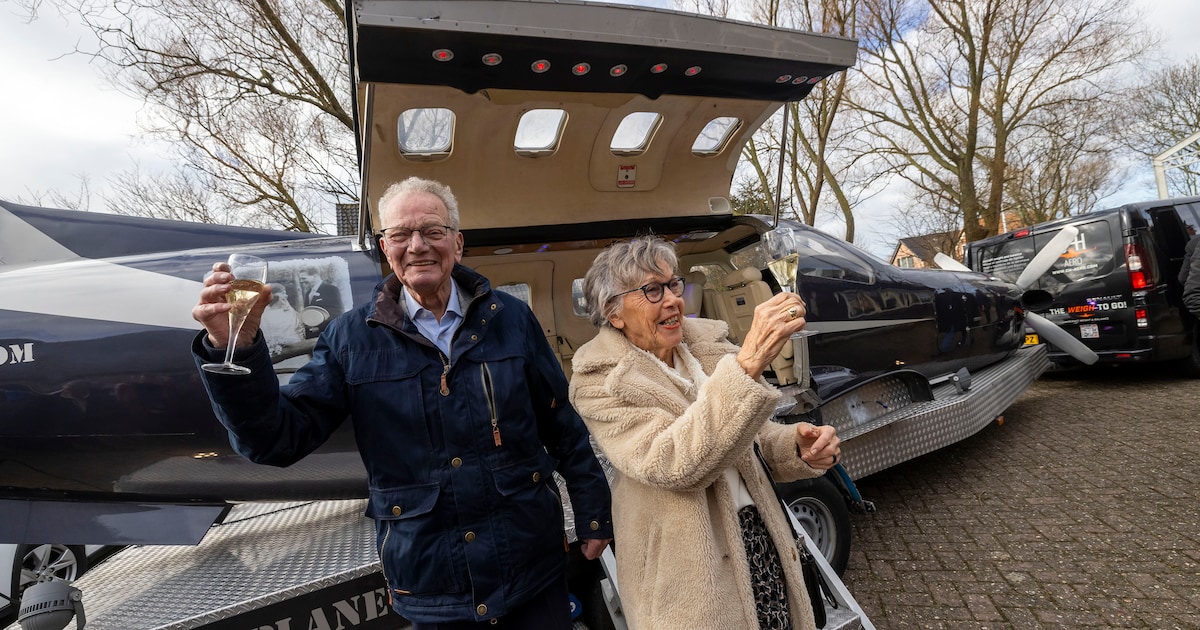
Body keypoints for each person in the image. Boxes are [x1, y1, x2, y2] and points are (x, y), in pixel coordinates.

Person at [191, 176, 613, 629]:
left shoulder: (511, 319)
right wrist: (234, 346)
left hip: (531, 567)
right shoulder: (351, 338)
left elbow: (560, 422)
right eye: (400, 234)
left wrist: (594, 511)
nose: (417, 245)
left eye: (432, 230)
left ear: (457, 243)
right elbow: (275, 441)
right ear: (385, 248)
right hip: (432, 584)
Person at [568, 235, 840, 630]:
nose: (672, 300)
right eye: (653, 290)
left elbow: (750, 439)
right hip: (688, 573)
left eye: (673, 285)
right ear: (614, 313)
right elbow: (673, 463)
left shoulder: (705, 346)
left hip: (759, 539)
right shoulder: (599, 380)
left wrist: (796, 447)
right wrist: (748, 364)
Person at [258, 282, 306, 354]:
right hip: (276, 352)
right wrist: (275, 344)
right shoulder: (264, 315)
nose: (286, 296)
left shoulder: (290, 312)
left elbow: (299, 330)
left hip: (296, 348)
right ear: (273, 296)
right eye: (283, 293)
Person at [298, 266, 345, 337]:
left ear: (315, 276)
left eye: (303, 278)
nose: (301, 281)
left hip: (329, 333)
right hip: (312, 335)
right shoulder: (308, 293)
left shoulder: (331, 289)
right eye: (300, 279)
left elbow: (338, 313)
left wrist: (320, 328)